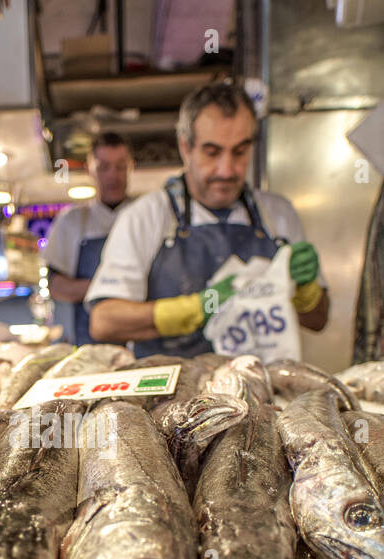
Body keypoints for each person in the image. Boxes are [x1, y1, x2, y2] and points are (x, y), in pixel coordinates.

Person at [86, 80, 328, 359]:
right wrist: (197, 308)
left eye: (239, 152)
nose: (226, 170)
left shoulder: (278, 215)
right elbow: (104, 321)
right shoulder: (146, 215)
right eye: (212, 152)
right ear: (185, 147)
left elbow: (318, 320)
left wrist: (307, 292)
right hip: (171, 395)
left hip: (263, 390)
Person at [43, 131, 135, 345]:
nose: (113, 175)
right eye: (104, 167)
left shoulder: (147, 216)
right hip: (88, 344)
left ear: (132, 166)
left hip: (141, 342)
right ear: (89, 169)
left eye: (120, 166)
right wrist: (111, 287)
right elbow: (55, 287)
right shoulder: (71, 221)